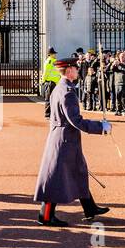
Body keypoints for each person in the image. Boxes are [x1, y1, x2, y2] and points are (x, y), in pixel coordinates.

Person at [34, 56, 112, 226]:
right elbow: (76, 120)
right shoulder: (67, 92)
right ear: (69, 70)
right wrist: (101, 127)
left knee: (79, 171)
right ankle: (45, 215)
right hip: (65, 139)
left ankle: (90, 207)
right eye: (76, 68)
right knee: (55, 177)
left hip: (65, 137)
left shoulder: (62, 87)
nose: (78, 70)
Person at [40, 47, 59, 118]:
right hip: (50, 83)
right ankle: (48, 114)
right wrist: (43, 80)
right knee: (48, 99)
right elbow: (46, 72)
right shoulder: (49, 61)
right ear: (50, 54)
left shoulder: (55, 61)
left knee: (54, 99)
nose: (55, 55)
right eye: (54, 53)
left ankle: (53, 113)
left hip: (55, 83)